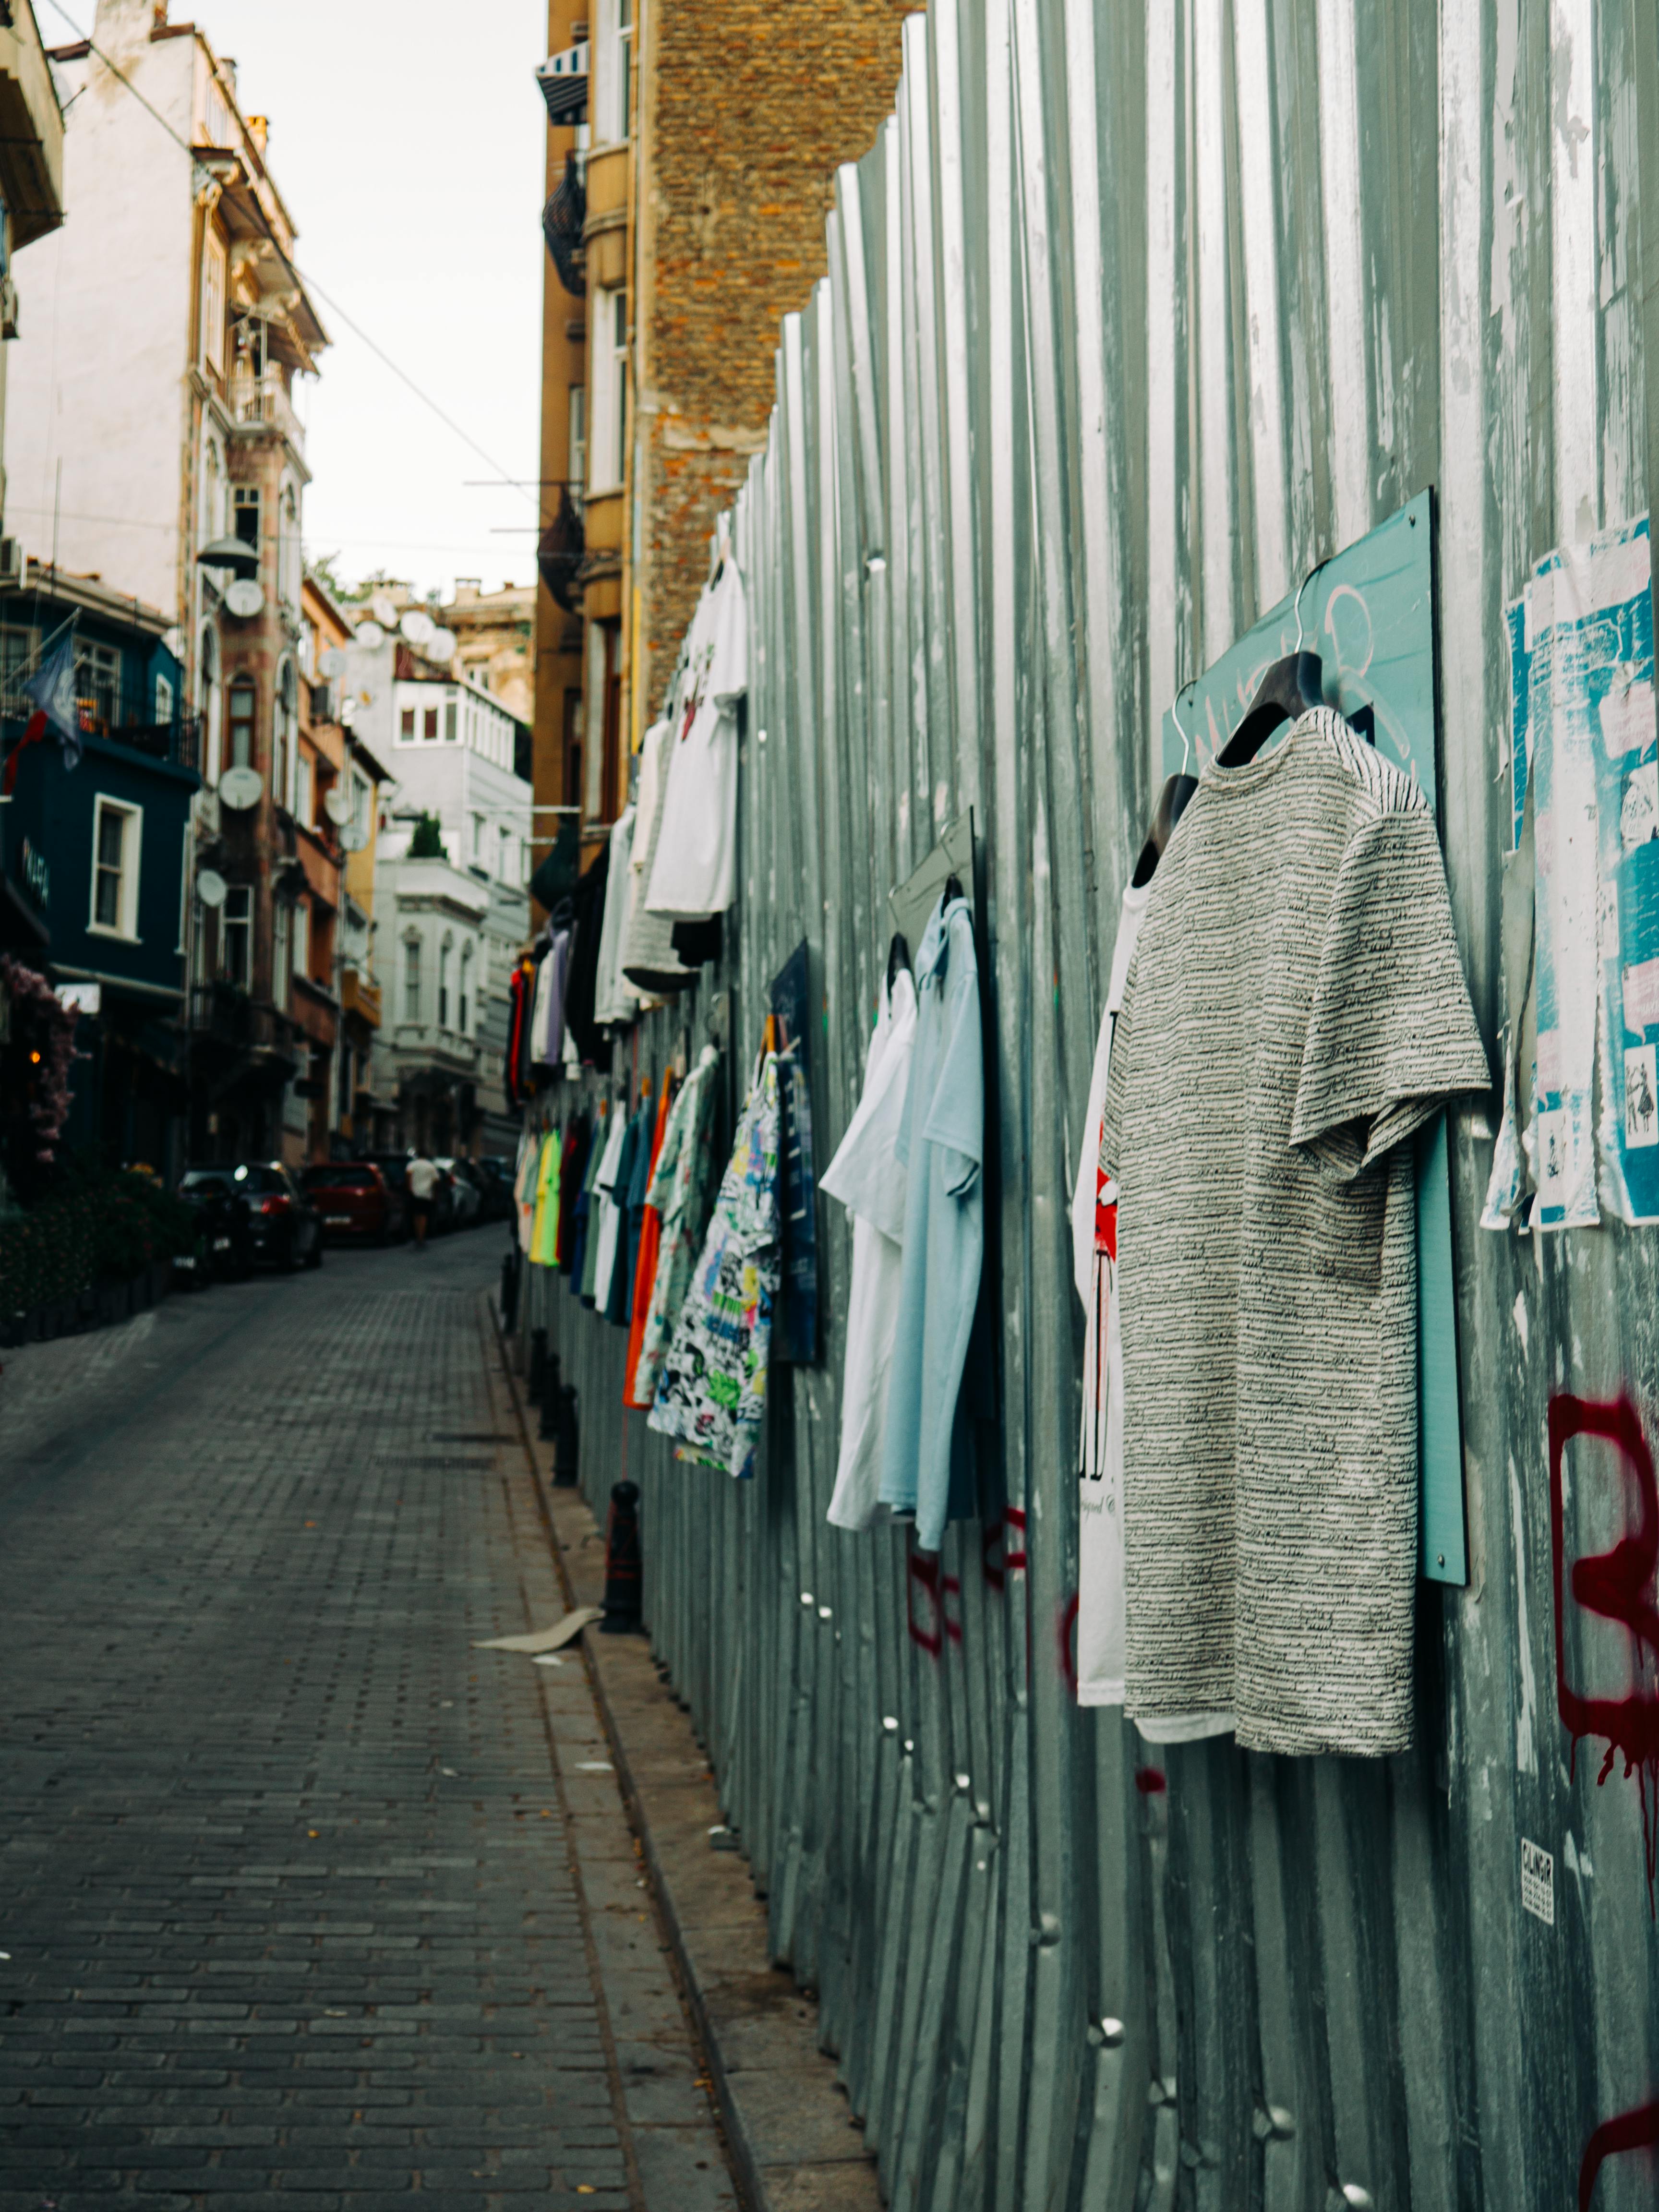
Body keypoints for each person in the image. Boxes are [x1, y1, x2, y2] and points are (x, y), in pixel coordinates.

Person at [407, 1151, 439, 1249]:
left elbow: (409, 1177)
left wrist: (410, 1190)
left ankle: (418, 1236)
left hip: (415, 1194)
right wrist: (434, 1194)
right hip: (426, 1194)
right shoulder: (431, 1166)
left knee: (416, 1216)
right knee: (424, 1216)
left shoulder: (412, 1165)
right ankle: (421, 1237)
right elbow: (436, 1180)